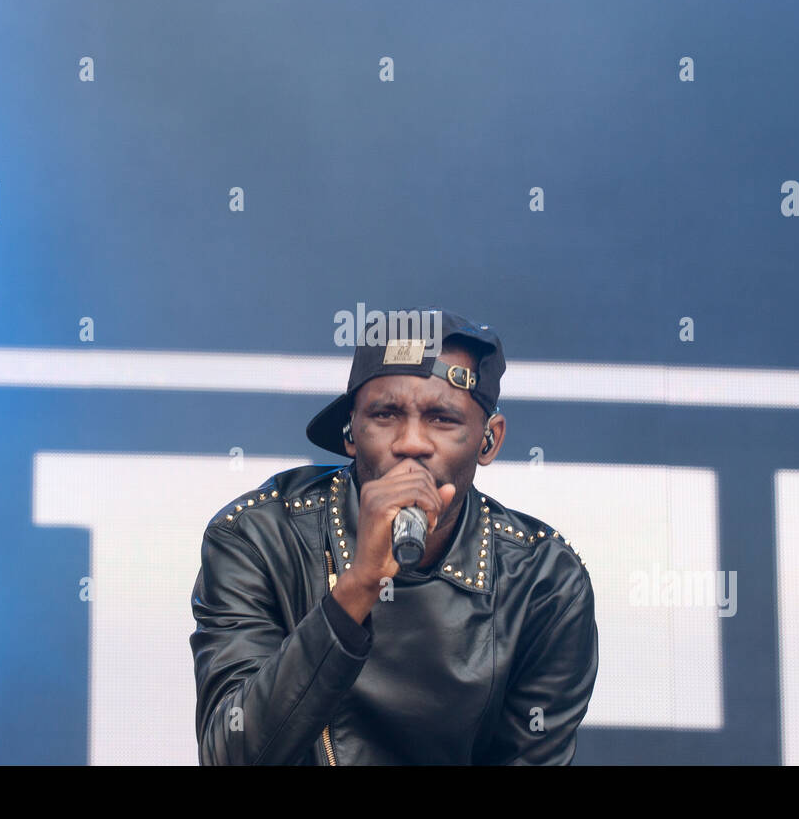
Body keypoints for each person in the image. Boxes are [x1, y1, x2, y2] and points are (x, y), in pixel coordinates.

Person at [189, 307, 598, 764]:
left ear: (488, 441)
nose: (411, 443)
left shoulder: (544, 581)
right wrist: (359, 585)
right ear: (350, 433)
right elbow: (231, 754)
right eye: (385, 415)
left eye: (443, 419)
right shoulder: (259, 537)